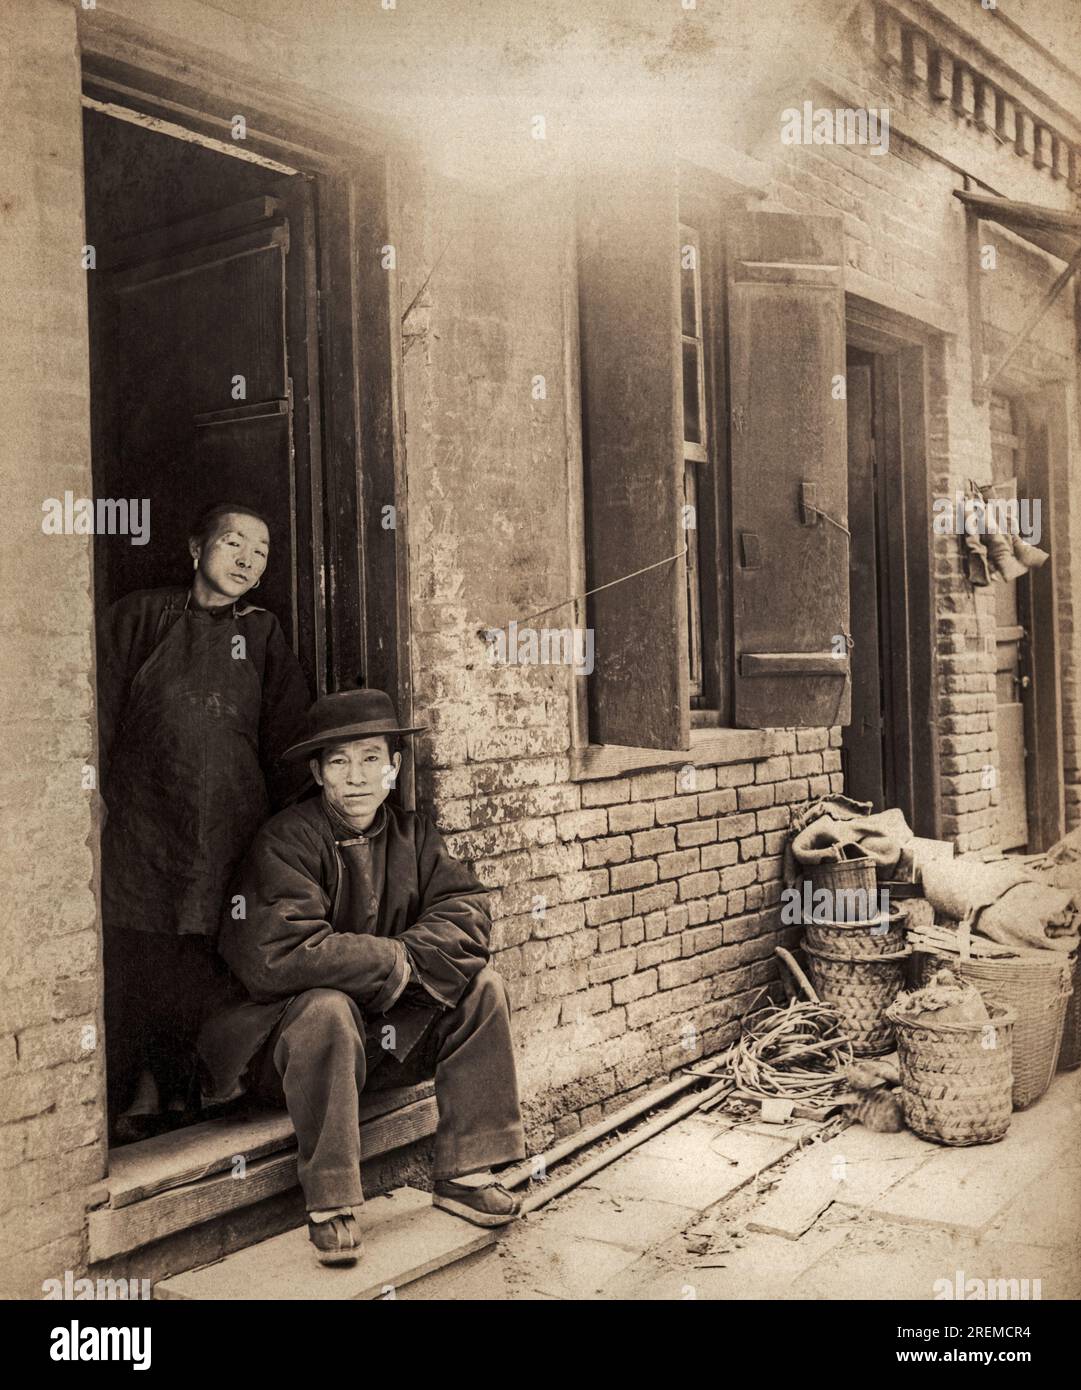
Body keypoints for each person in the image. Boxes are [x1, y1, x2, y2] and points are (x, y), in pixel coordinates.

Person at [197, 687, 527, 1266]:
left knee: (483, 990)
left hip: (381, 1045)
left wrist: (406, 960)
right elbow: (281, 950)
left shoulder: (414, 835)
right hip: (292, 1053)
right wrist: (393, 963)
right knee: (327, 1006)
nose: (356, 776)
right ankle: (331, 1203)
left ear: (394, 769)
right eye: (340, 761)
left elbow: (467, 914)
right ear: (318, 773)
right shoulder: (286, 839)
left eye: (371, 758)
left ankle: (468, 1171)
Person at [98, 503, 311, 1142]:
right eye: (232, 542)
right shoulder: (140, 617)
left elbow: (287, 742)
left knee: (208, 958)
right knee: (139, 954)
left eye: (261, 551)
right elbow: (94, 713)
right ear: (197, 548)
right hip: (142, 827)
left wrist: (289, 836)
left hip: (229, 831)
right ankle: (131, 1101)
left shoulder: (266, 635)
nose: (247, 560)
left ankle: (200, 1097)